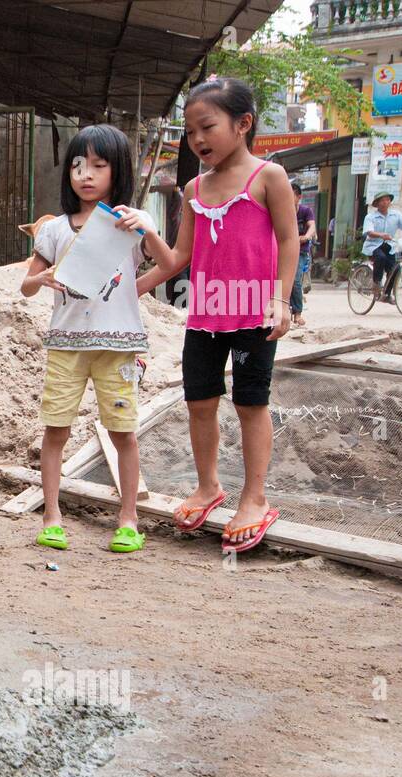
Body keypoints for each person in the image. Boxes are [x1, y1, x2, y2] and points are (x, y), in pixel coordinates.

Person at [137, 76, 298, 554]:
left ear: (243, 124)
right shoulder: (193, 188)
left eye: (206, 127)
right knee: (200, 402)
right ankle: (208, 486)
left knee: (251, 404)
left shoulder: (268, 177)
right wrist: (131, 289)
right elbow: (179, 256)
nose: (198, 140)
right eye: (190, 133)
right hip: (204, 317)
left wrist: (282, 300)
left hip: (254, 316)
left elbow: (288, 240)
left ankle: (256, 497)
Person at [20, 124, 178, 554]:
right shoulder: (53, 230)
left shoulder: (126, 225)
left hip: (118, 346)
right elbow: (26, 287)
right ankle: (52, 516)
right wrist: (42, 277)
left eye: (97, 165)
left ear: (117, 171)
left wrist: (146, 230)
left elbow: (170, 264)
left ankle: (128, 519)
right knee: (55, 431)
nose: (84, 174)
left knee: (123, 433)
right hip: (66, 346)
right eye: (76, 164)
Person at [362, 191, 402, 304]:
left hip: (390, 246)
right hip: (373, 246)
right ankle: (376, 283)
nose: (385, 202)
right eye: (382, 200)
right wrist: (381, 235)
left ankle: (386, 294)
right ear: (377, 204)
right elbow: (369, 232)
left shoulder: (396, 215)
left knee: (395, 269)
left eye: (387, 200)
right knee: (381, 258)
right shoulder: (370, 217)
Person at [289, 180, 315, 327]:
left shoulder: (305, 211)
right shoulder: (281, 210)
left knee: (295, 280)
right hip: (282, 250)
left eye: (291, 194)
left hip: (300, 250)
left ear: (299, 197)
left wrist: (306, 236)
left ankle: (297, 313)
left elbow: (312, 226)